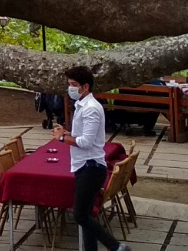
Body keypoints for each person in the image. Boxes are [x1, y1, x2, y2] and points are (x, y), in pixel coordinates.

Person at [55, 67, 131, 251]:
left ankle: (116, 247)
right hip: (84, 166)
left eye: (74, 85)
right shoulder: (82, 105)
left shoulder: (91, 109)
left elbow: (86, 142)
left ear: (85, 87)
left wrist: (61, 138)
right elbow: (82, 135)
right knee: (87, 215)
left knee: (80, 216)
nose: (70, 89)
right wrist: (68, 133)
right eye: (69, 85)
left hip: (91, 168)